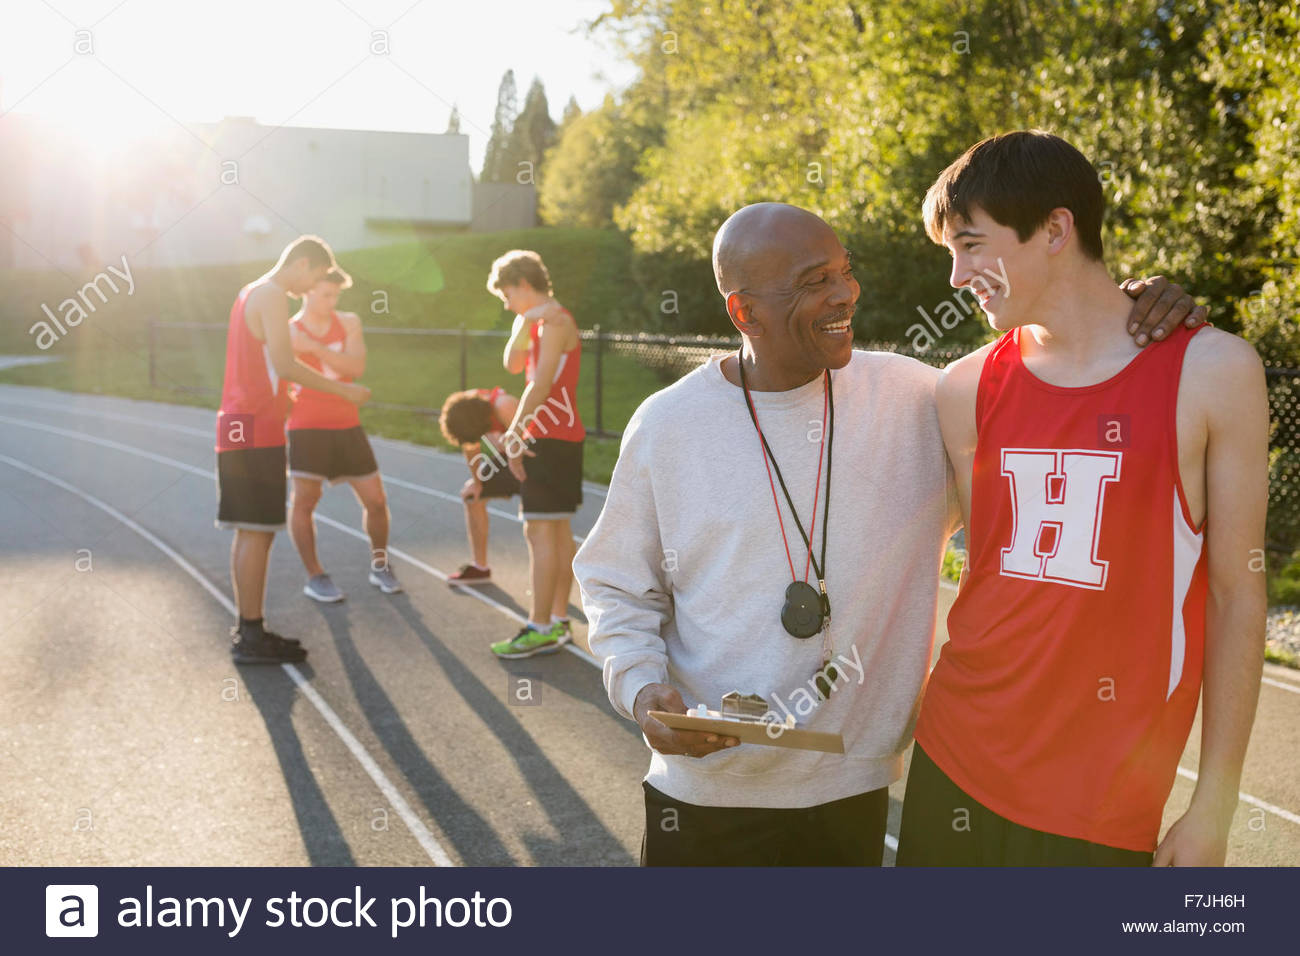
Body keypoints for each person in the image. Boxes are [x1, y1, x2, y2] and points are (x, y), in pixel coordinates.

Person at [573, 201, 1205, 867]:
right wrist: (641, 689)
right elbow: (616, 584)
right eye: (814, 282)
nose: (845, 294)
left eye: (845, 272)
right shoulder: (668, 425)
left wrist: (1117, 312)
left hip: (854, 791)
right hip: (704, 799)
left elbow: (1050, 411)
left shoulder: (916, 399)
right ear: (745, 312)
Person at [896, 131, 1267, 867]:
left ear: (1056, 230)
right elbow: (983, 570)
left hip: (1103, 799)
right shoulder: (963, 387)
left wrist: (1213, 809)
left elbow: (1236, 597)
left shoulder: (1214, 371)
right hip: (955, 757)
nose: (955, 275)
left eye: (971, 245)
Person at [216, 236, 370, 665]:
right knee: (256, 530)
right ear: (302, 264)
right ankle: (249, 634)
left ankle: (250, 628)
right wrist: (343, 390)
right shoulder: (270, 295)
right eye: (316, 279)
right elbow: (284, 364)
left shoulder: (250, 291)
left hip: (239, 421)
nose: (310, 290)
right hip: (252, 426)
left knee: (254, 530)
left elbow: (264, 365)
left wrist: (282, 397)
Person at [484, 250, 586, 659]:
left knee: (540, 531)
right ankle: (558, 619)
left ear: (524, 285)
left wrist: (513, 433)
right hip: (555, 435)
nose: (507, 304)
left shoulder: (558, 323)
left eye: (509, 296)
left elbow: (540, 385)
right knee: (556, 530)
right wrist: (524, 320)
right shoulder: (538, 323)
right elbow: (511, 364)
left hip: (550, 436)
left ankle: (540, 625)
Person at [284, 266, 401, 602]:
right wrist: (309, 346)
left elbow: (356, 368)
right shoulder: (289, 331)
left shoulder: (348, 322)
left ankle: (380, 565)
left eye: (336, 295)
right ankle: (315, 576)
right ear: (307, 292)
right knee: (305, 501)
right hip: (307, 424)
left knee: (376, 501)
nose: (332, 301)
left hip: (347, 423)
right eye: (325, 295)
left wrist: (315, 348)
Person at [438, 385, 522, 585]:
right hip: (507, 457)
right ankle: (480, 567)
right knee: (471, 497)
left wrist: (506, 443)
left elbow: (535, 441)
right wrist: (478, 483)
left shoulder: (504, 406)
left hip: (533, 458)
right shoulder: (465, 414)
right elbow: (471, 448)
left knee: (536, 520)